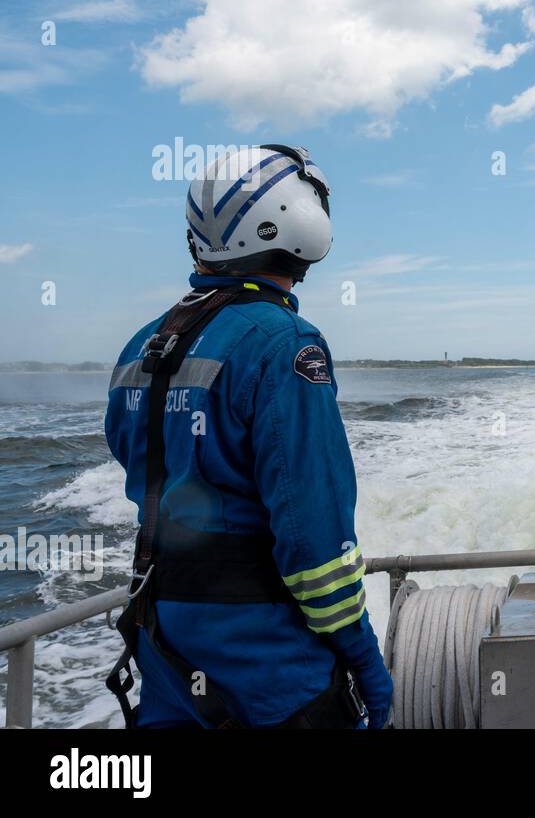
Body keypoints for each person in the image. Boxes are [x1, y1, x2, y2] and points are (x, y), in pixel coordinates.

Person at [104, 144, 393, 729]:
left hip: (162, 641)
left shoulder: (143, 343)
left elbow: (129, 453)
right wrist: (366, 663)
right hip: (259, 655)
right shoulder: (286, 343)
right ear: (296, 218)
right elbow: (313, 536)